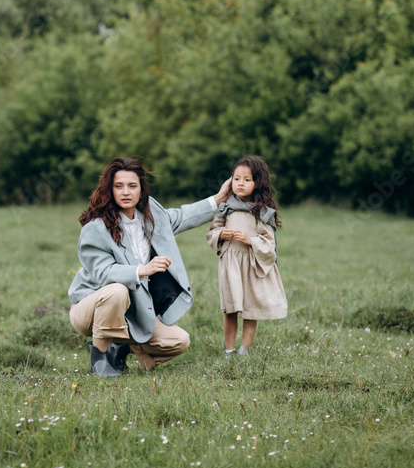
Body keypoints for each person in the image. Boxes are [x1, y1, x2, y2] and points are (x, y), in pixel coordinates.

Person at [68, 157, 228, 376]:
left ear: (141, 189)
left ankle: (119, 347)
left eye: (132, 186)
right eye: (119, 186)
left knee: (179, 341)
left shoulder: (151, 216)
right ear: (110, 190)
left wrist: (218, 199)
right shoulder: (96, 227)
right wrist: (142, 270)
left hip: (131, 311)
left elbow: (181, 217)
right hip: (90, 308)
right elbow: (103, 273)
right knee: (117, 290)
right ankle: (99, 360)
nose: (126, 192)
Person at [206, 155, 287, 358]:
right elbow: (212, 232)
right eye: (236, 178)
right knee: (230, 307)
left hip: (251, 264)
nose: (240, 183)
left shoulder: (261, 211)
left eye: (247, 179)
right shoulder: (226, 207)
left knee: (250, 307)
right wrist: (220, 234)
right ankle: (229, 349)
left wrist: (250, 239)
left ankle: (245, 348)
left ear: (257, 183)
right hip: (230, 263)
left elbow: (269, 243)